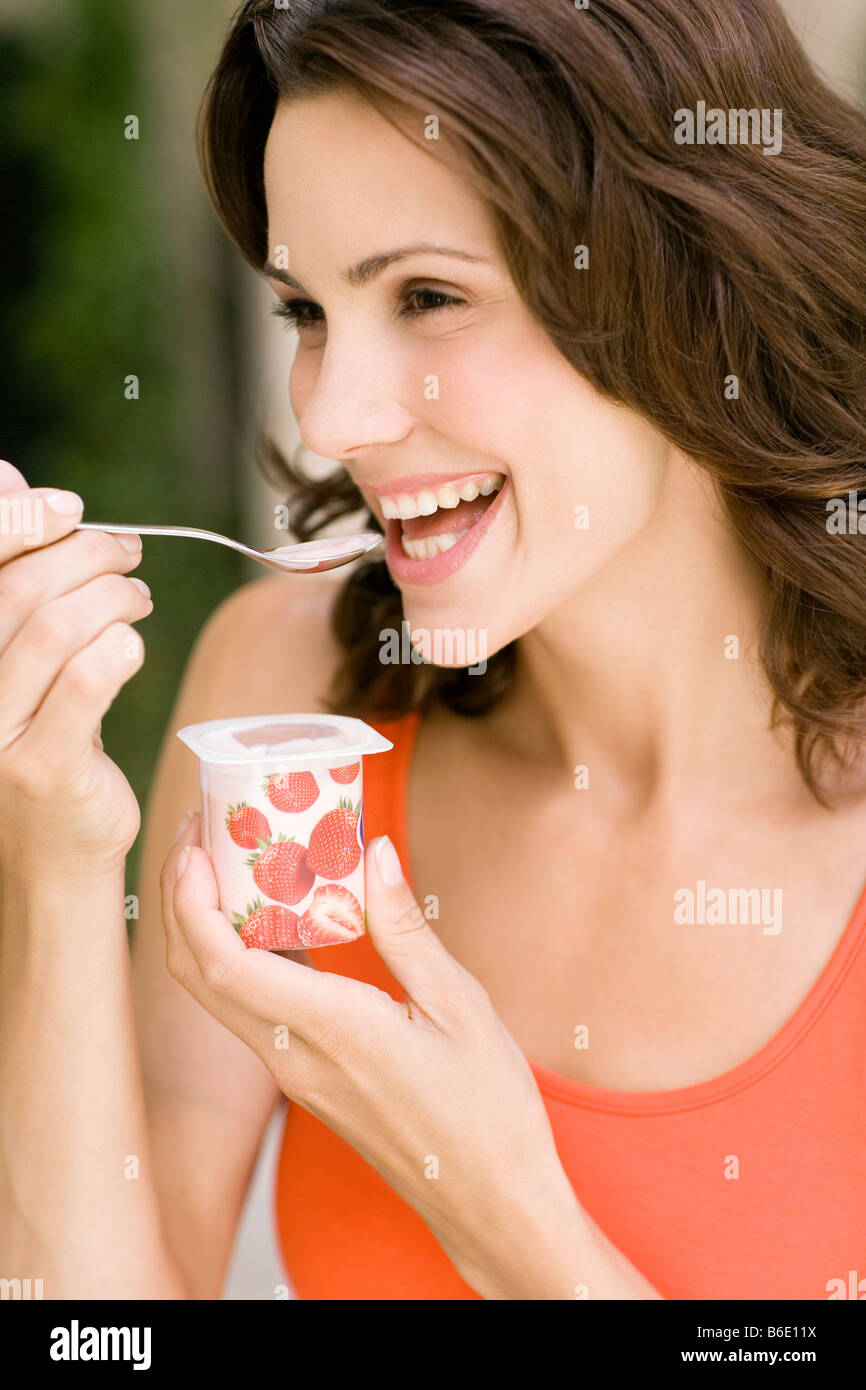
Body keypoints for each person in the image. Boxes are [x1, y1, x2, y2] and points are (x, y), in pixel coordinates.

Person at [2, 0, 865, 1300]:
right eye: (305, 307)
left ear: (687, 273)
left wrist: (503, 1217)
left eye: (428, 295)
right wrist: (60, 857)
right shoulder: (291, 721)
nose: (336, 415)